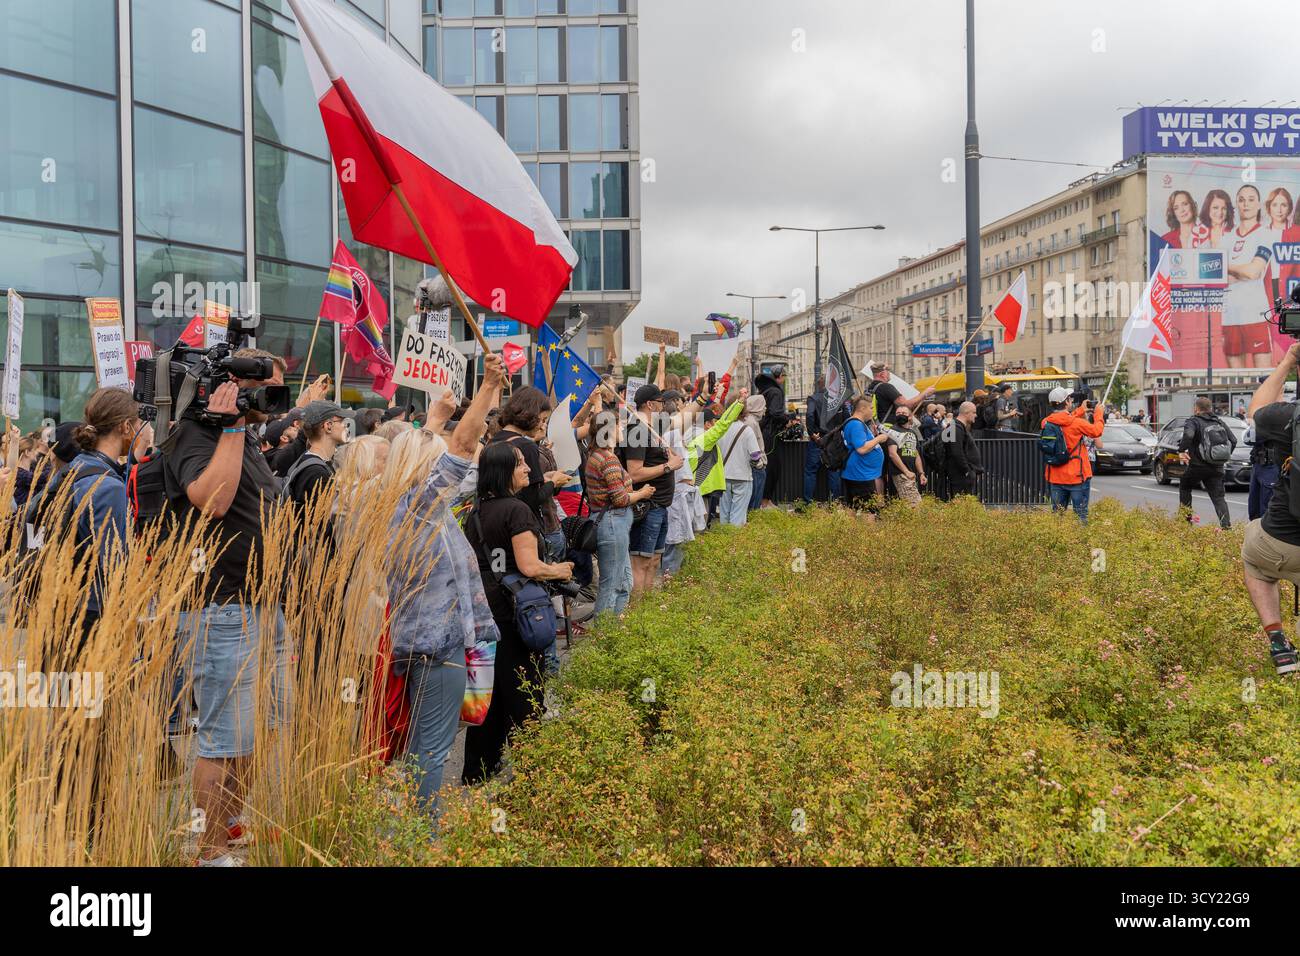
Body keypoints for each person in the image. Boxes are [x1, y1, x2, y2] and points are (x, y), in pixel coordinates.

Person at [164, 360, 287, 866]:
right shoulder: (194, 434)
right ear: (226, 390)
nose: (267, 405)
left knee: (250, 731)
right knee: (221, 736)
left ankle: (232, 824)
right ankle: (210, 851)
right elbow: (210, 501)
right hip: (221, 607)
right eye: (259, 392)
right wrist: (232, 425)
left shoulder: (247, 436)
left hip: (257, 601)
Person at [386, 355, 505, 809]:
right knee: (432, 748)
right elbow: (461, 447)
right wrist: (488, 388)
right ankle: (423, 834)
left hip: (424, 639)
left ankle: (416, 827)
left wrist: (434, 419)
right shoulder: (417, 505)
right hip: (435, 644)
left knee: (425, 742)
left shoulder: (399, 502)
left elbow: (444, 449)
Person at [462, 442, 574, 784]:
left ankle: (478, 771)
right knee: (526, 691)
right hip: (516, 614)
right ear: (503, 471)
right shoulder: (517, 511)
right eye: (521, 463)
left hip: (485, 612)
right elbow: (529, 565)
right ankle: (532, 770)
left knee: (489, 694)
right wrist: (561, 571)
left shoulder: (476, 513)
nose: (529, 468)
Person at [1241, 342, 1300, 674]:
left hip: (1283, 541)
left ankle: (1278, 644)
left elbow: (1255, 413)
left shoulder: (1287, 417)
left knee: (1255, 556)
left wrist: (1288, 360)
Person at [585, 409, 653, 615]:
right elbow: (620, 499)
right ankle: (605, 632)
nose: (621, 428)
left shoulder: (597, 455)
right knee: (612, 582)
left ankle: (615, 628)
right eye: (617, 425)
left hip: (611, 522)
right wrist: (642, 493)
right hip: (612, 522)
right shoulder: (608, 459)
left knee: (624, 581)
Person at [620, 383, 683, 598]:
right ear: (650, 404)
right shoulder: (636, 429)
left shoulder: (651, 428)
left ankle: (647, 610)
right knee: (641, 562)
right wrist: (668, 466)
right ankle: (637, 616)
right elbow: (634, 473)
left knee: (654, 561)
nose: (663, 407)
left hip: (660, 506)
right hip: (647, 506)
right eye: (661, 403)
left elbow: (686, 418)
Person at [1040, 387, 1104, 522]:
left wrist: (1081, 410)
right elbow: (1096, 431)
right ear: (1067, 402)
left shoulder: (1046, 422)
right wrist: (1098, 414)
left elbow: (1062, 420)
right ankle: (1081, 542)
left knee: (1057, 516)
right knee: (1080, 515)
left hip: (1056, 476)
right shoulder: (1077, 423)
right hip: (1077, 475)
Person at [1177, 396, 1235, 530]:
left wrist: (1181, 450)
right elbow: (1233, 440)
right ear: (1210, 408)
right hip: (1216, 467)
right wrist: (1222, 457)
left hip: (1197, 466)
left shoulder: (1193, 421)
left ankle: (1186, 524)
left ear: (1196, 408)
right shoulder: (1219, 422)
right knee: (1219, 498)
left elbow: (1189, 436)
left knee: (1185, 487)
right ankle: (1226, 528)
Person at [285, 401, 348, 507]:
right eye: (342, 421)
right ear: (328, 426)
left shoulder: (311, 460)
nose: (346, 426)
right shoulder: (316, 472)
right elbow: (320, 522)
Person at [840, 396, 888, 511]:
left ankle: (854, 529)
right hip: (861, 475)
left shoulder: (858, 424)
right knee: (868, 511)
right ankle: (867, 530)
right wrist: (879, 438)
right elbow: (861, 448)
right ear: (862, 409)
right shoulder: (856, 424)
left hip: (861, 473)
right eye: (871, 408)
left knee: (854, 508)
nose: (872, 411)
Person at [803, 376, 846, 504]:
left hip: (818, 439)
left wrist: (812, 433)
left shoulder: (813, 398)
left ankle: (808, 502)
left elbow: (810, 415)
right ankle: (834, 502)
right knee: (834, 470)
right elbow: (847, 417)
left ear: (818, 385)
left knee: (811, 471)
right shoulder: (839, 399)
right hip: (834, 440)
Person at [717, 402, 761, 526]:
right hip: (743, 477)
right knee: (738, 515)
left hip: (724, 477)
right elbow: (755, 455)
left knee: (724, 514)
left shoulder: (721, 429)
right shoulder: (746, 430)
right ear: (744, 411)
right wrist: (755, 463)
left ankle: (723, 540)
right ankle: (734, 542)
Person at [754, 366, 791, 507]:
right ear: (780, 376)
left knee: (763, 467)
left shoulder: (764, 391)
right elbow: (776, 413)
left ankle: (762, 501)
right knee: (772, 468)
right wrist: (787, 419)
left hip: (762, 433)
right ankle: (765, 502)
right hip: (771, 436)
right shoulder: (775, 392)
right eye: (784, 376)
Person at [867, 363, 935, 427]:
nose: (889, 374)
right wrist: (925, 394)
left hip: (875, 427)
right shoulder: (886, 387)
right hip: (888, 428)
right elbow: (905, 404)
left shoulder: (869, 388)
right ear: (882, 374)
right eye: (888, 371)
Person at [942, 401, 984, 500]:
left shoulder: (956, 426)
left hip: (962, 473)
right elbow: (956, 452)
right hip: (960, 475)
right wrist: (967, 471)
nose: (976, 415)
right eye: (974, 412)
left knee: (964, 503)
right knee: (962, 503)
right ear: (966, 413)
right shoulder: (954, 427)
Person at [884, 406, 925, 505]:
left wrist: (921, 473)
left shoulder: (912, 433)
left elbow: (916, 454)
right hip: (900, 473)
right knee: (915, 505)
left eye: (903, 413)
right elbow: (892, 453)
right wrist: (906, 471)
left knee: (909, 506)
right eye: (898, 413)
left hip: (911, 474)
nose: (900, 415)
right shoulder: (893, 430)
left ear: (910, 416)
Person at [742, 394, 769, 511]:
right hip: (756, 467)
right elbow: (753, 448)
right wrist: (759, 464)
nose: (765, 409)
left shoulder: (749, 420)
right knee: (754, 500)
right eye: (763, 406)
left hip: (753, 466)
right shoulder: (751, 423)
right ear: (757, 407)